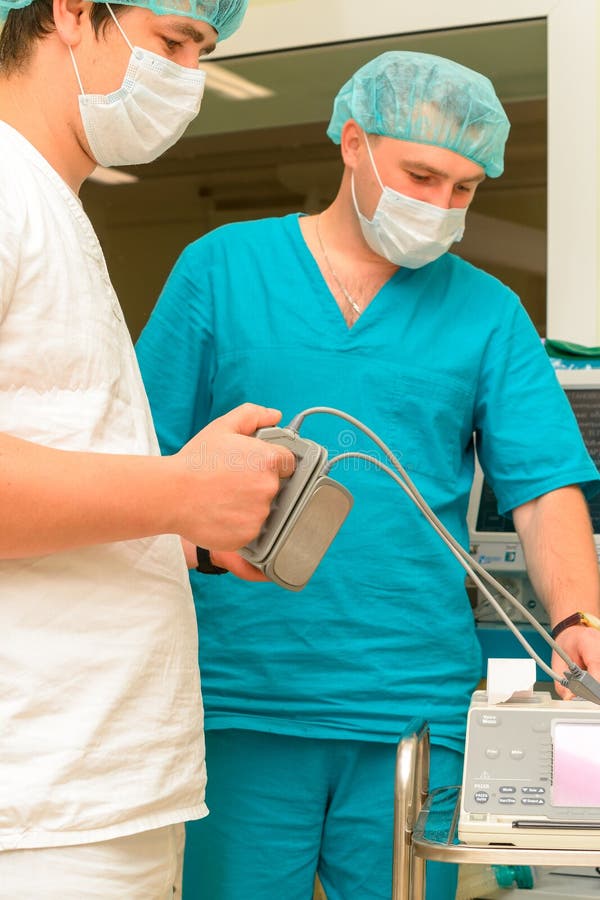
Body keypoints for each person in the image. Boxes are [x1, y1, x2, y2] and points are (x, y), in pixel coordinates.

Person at [136, 51, 600, 900]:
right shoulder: (222, 269)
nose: (441, 205)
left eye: (465, 188)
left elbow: (542, 489)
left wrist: (579, 616)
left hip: (412, 705)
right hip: (242, 694)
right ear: (353, 142)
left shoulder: (488, 310)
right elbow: (140, 473)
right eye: (421, 173)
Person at [0, 0, 296, 897]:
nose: (188, 79)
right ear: (72, 13)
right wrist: (175, 492)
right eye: (173, 41)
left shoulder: (52, 206)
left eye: (205, 53)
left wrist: (185, 521)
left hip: (96, 792)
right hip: (38, 805)